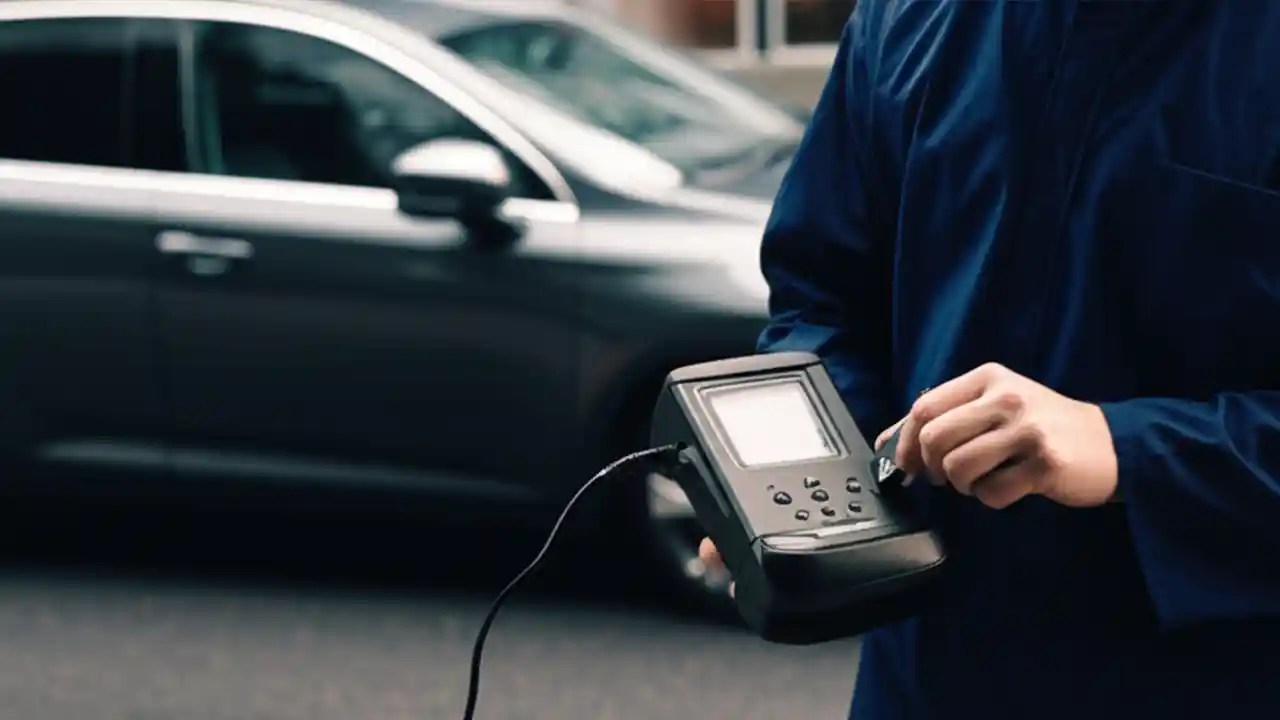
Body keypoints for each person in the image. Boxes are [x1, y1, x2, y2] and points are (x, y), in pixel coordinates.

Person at [698, 1, 1280, 718]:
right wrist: (819, 468)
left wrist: (1131, 448)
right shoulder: (900, 20)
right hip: (926, 677)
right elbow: (823, 299)